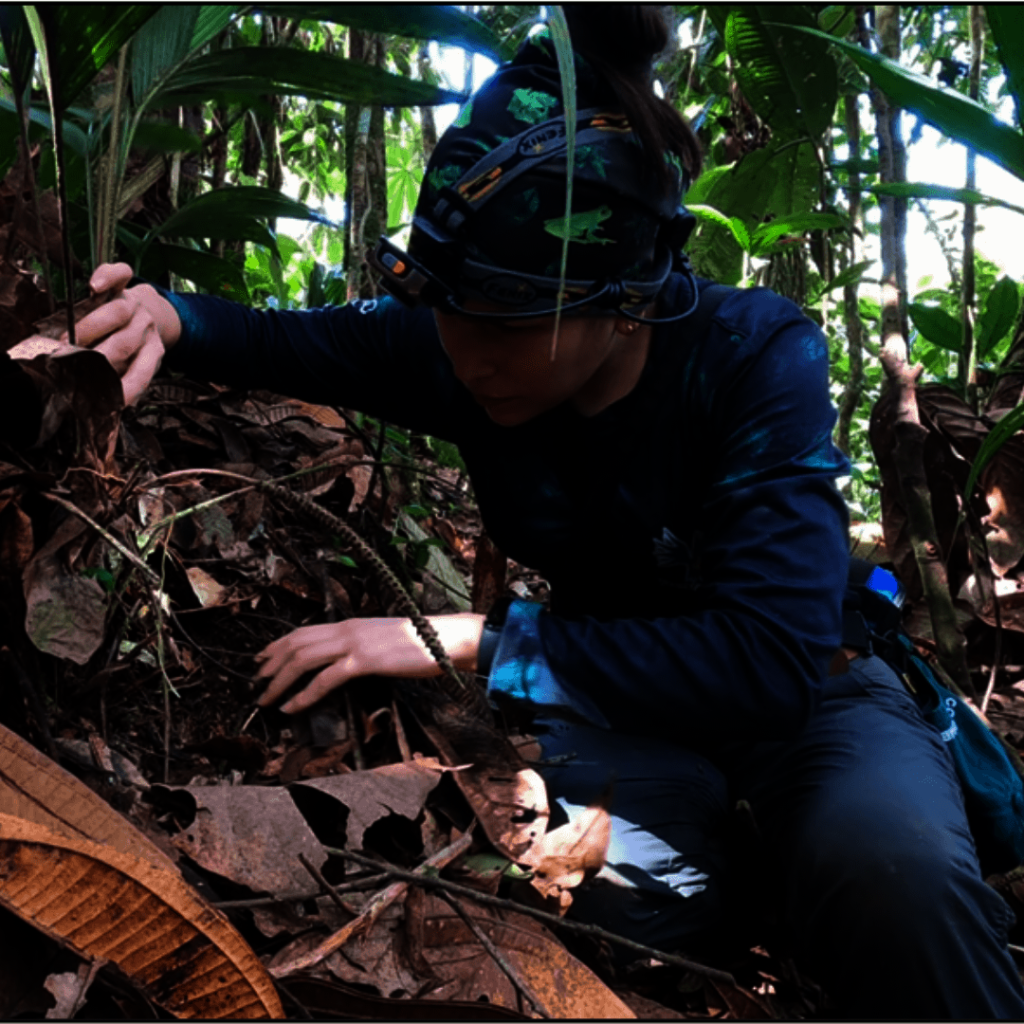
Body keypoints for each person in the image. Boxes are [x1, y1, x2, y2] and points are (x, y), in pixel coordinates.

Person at [72, 8, 1024, 1017]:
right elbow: (296, 342)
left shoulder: (752, 355)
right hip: (625, 726)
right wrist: (170, 314)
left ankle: (818, 873)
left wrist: (478, 638)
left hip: (816, 707)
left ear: (626, 298)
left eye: (506, 322)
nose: (464, 348)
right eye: (445, 307)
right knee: (504, 861)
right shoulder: (462, 352)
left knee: (891, 876)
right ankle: (756, 893)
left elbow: (768, 661)